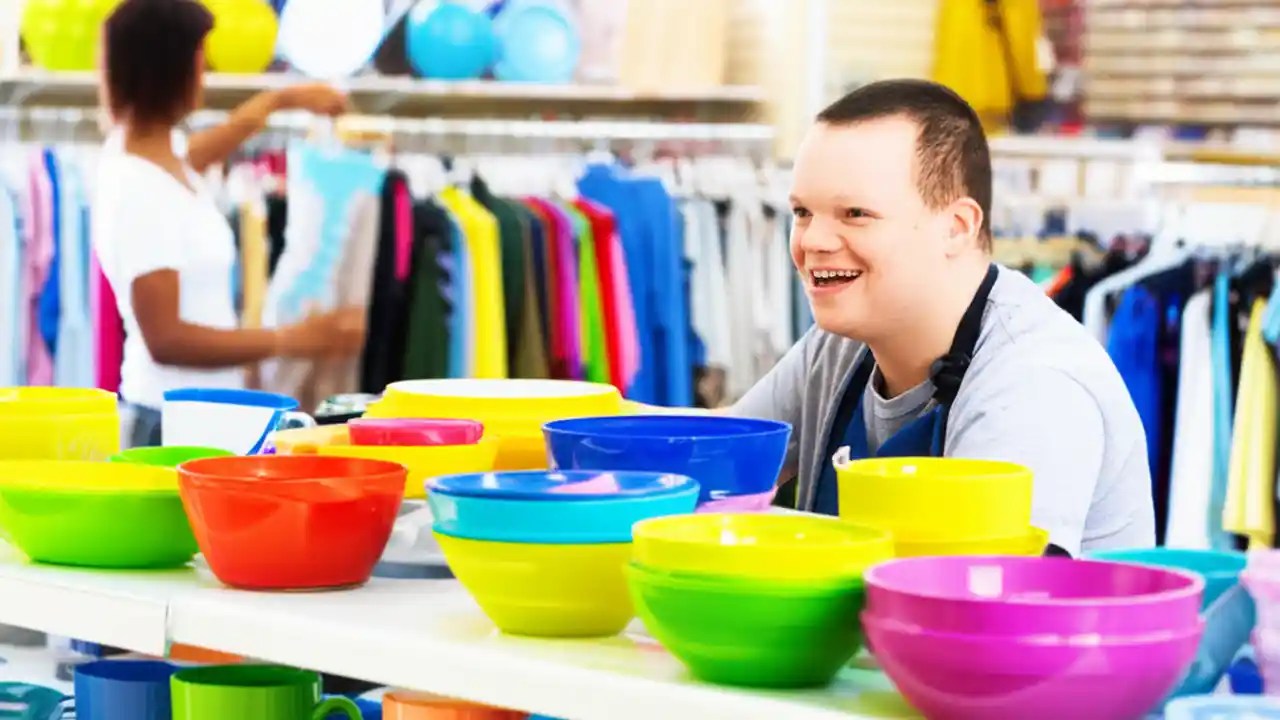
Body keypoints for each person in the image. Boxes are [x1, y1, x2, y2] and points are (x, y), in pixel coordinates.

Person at [729, 79, 1154, 556]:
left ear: (956, 227)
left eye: (854, 213)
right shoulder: (843, 344)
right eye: (803, 212)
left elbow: (986, 607)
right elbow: (716, 458)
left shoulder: (1032, 384)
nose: (812, 241)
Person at [94, 0, 365, 447]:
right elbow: (167, 339)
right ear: (173, 68)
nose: (205, 75)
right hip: (170, 424)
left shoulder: (163, 160)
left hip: (199, 416)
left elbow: (207, 149)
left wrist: (282, 99)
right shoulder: (138, 185)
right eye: (201, 61)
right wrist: (293, 338)